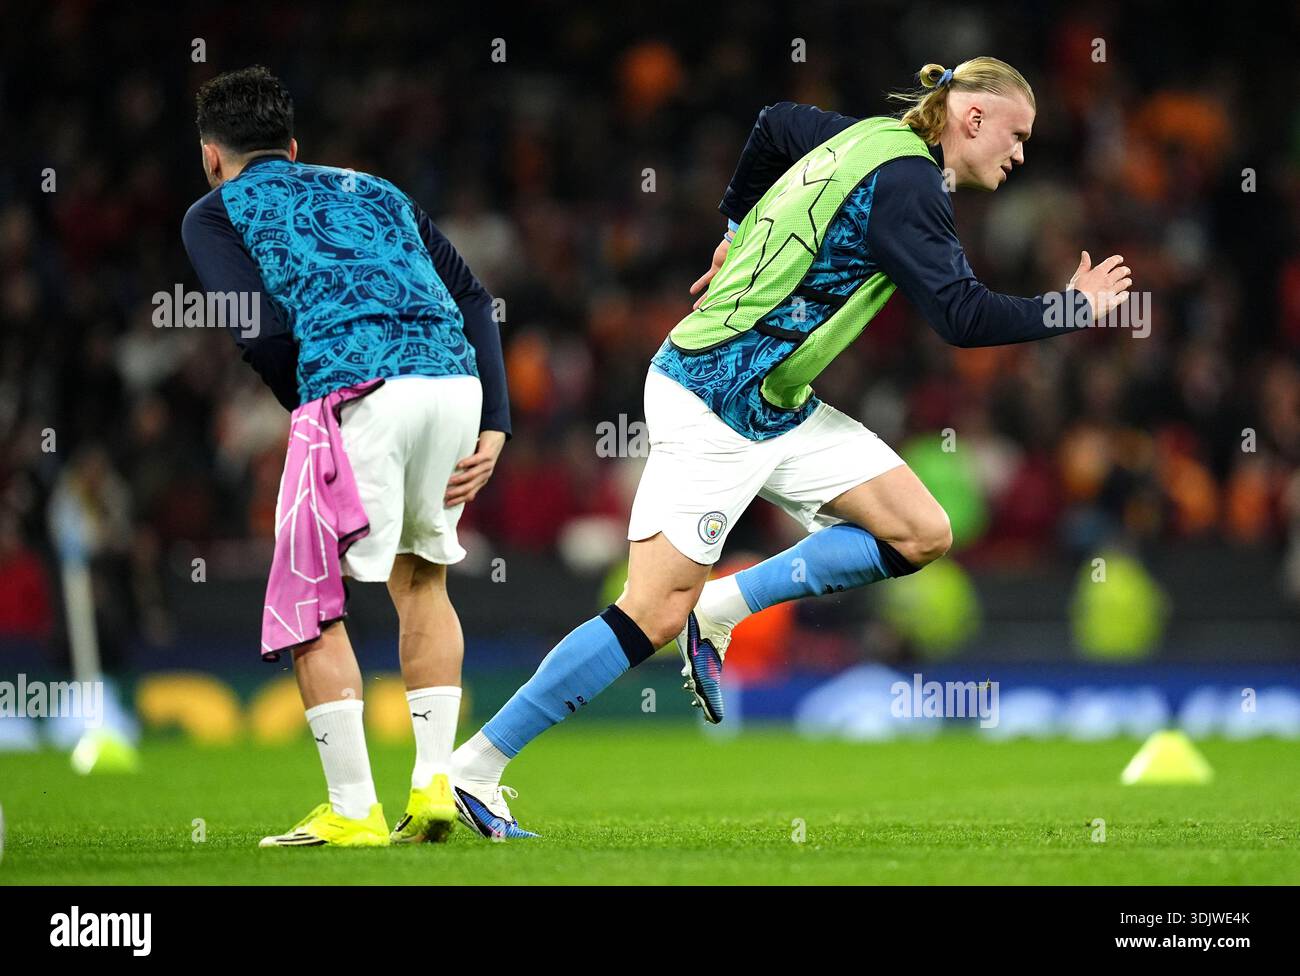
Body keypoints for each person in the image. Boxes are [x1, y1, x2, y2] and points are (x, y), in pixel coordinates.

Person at [447, 57, 1133, 839]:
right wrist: (1070, 307)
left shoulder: (866, 139)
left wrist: (733, 231)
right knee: (649, 612)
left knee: (921, 532)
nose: (1019, 156)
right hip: (711, 397)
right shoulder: (909, 184)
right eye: (1017, 136)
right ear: (973, 118)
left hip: (774, 403)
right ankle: (474, 769)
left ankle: (726, 604)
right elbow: (961, 317)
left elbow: (775, 122)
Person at [181, 66, 509, 847]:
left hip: (357, 390)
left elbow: (257, 331)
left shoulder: (213, 210)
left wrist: (313, 412)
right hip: (455, 385)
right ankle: (434, 787)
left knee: (308, 598)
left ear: (211, 156)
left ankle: (354, 808)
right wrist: (495, 420)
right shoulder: (378, 189)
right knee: (423, 579)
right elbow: (473, 297)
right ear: (294, 148)